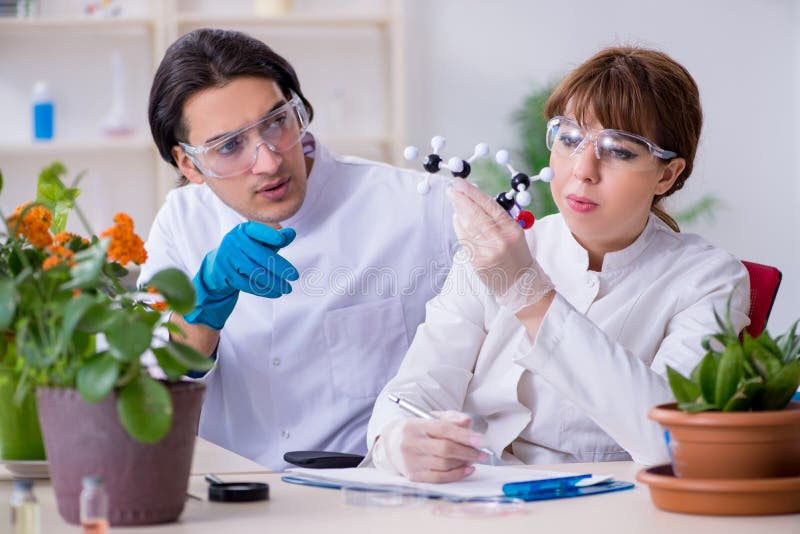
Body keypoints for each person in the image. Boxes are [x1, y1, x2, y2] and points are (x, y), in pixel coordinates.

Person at [365, 46, 751, 483]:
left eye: (619, 151)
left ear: (667, 174)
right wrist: (395, 440)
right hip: (472, 494)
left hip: (604, 504)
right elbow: (417, 386)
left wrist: (530, 294)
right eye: (568, 139)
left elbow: (671, 440)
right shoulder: (503, 247)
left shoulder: (708, 280)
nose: (583, 169)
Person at [138, 28, 456, 470]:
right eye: (229, 146)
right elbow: (154, 378)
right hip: (235, 490)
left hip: (372, 488)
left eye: (275, 122)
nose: (269, 161)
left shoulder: (422, 208)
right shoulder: (182, 222)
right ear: (188, 164)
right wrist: (202, 301)